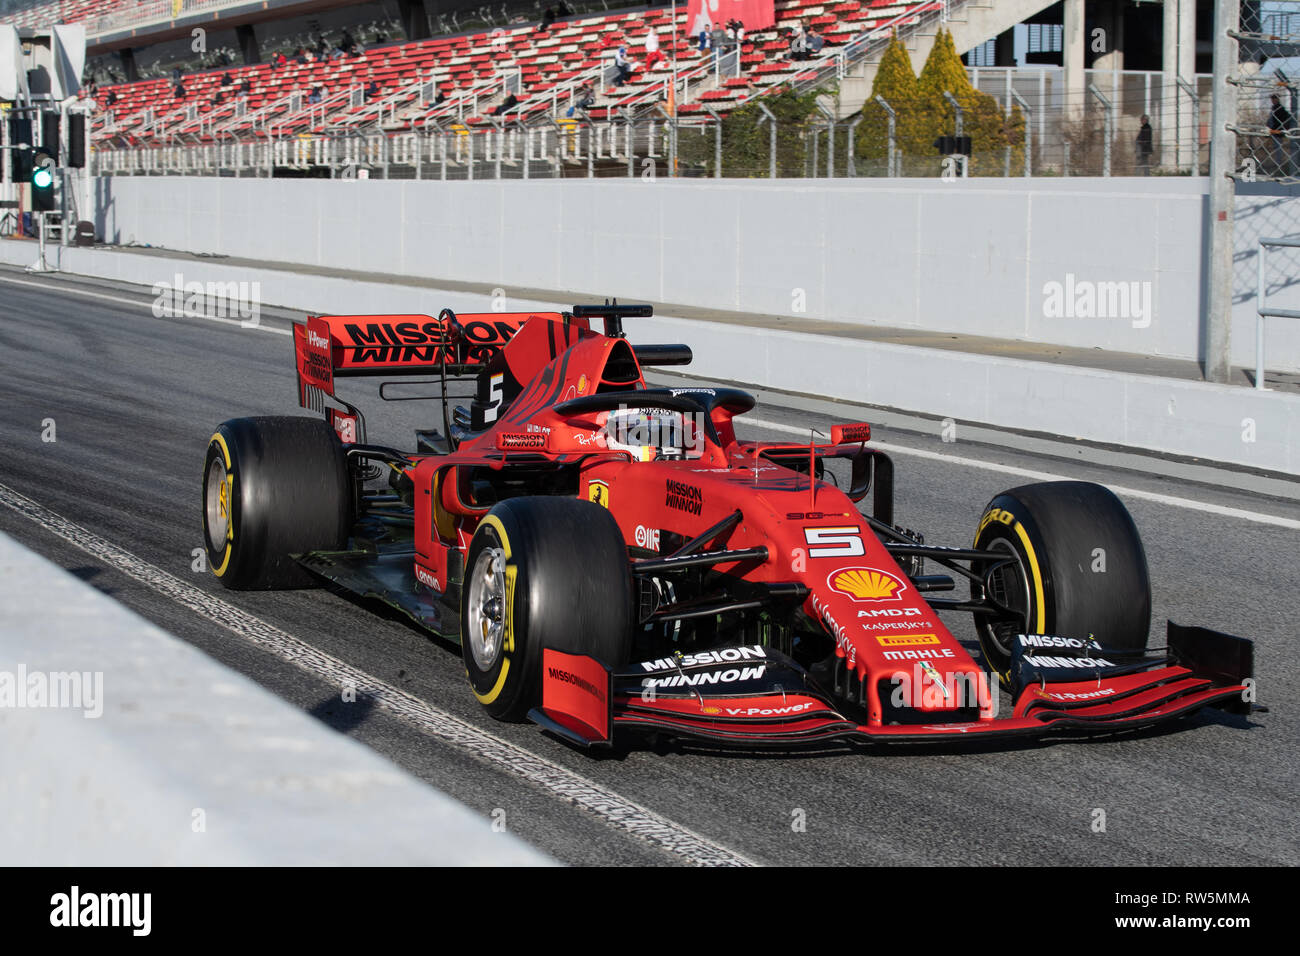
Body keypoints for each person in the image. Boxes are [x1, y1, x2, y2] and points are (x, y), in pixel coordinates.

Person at [1268, 93, 1296, 177]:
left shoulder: (1279, 108)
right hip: (1276, 131)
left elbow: (1283, 118)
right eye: (1272, 99)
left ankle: (1279, 166)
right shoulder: (1275, 108)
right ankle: (1279, 165)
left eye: (1274, 99)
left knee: (1278, 149)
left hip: (1278, 131)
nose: (1273, 100)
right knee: (1278, 149)